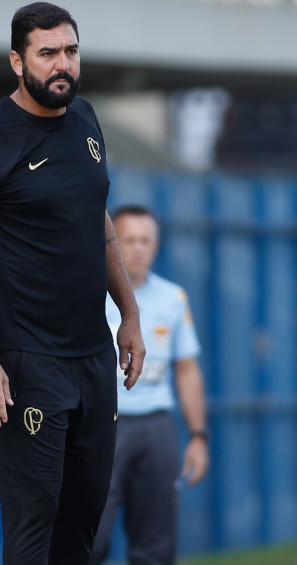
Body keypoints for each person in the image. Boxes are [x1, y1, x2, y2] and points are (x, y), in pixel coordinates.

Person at [0, 2, 146, 565]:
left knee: (83, 524)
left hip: (91, 358)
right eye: (48, 53)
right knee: (35, 525)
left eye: (71, 51)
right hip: (25, 361)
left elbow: (97, 218)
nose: (63, 64)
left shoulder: (86, 120)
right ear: (17, 60)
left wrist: (127, 313)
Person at [91, 205, 208, 565]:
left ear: (156, 246)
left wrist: (198, 436)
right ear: (111, 243)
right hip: (102, 429)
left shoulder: (173, 299)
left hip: (156, 429)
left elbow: (187, 369)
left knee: (156, 546)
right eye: (129, 240)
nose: (138, 248)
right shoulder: (89, 295)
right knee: (90, 541)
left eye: (146, 240)